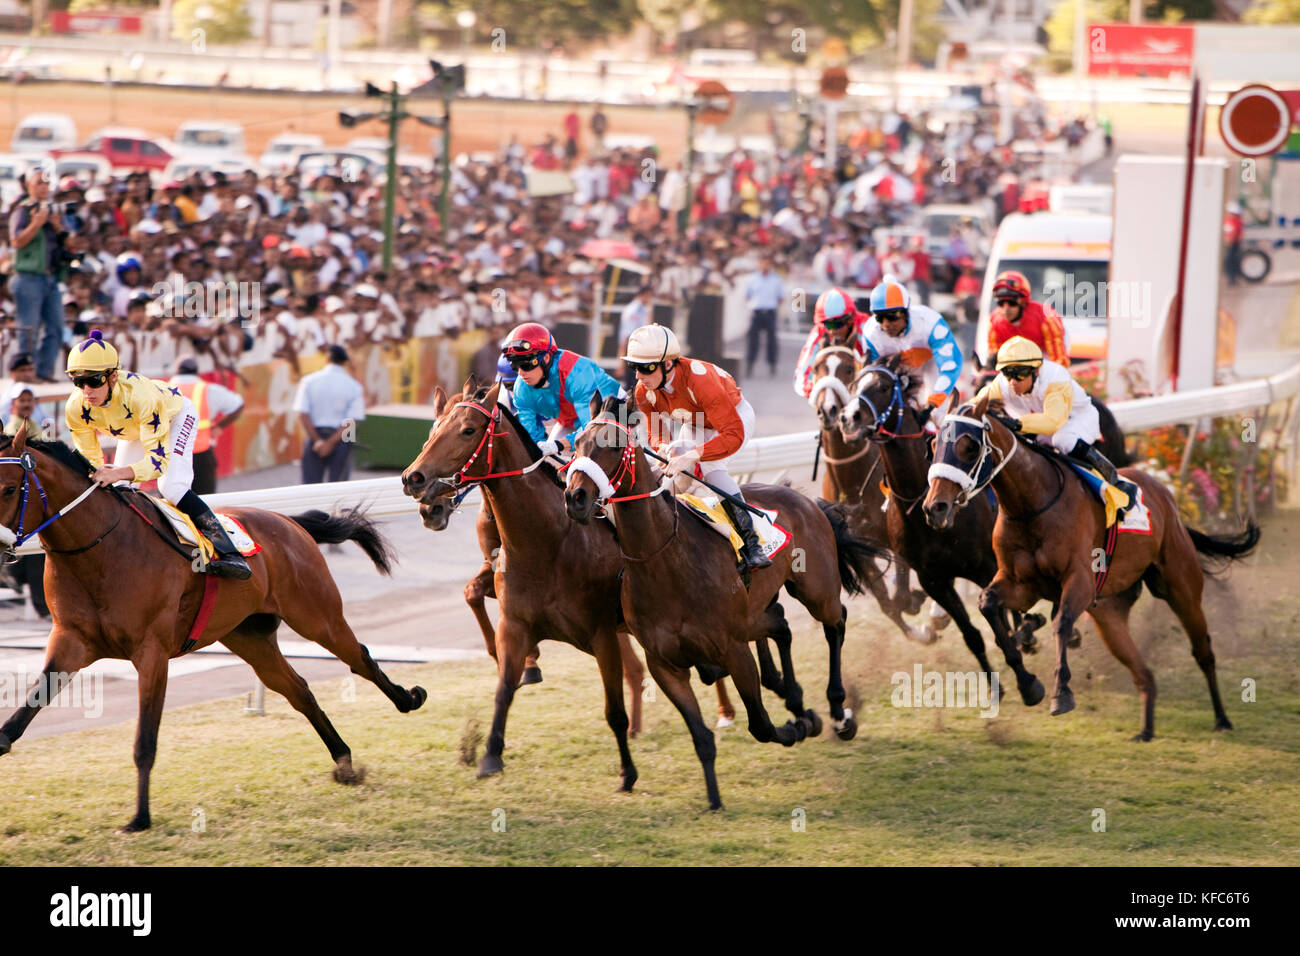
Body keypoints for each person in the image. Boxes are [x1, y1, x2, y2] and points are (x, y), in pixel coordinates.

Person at [64, 330, 251, 579]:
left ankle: (230, 553)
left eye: (94, 380)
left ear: (113, 377)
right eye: (78, 382)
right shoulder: (75, 407)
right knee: (115, 488)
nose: (86, 390)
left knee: (172, 487)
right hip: (135, 429)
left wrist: (119, 472)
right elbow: (92, 462)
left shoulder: (142, 396)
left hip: (176, 416)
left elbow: (157, 462)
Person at [622, 324, 771, 571]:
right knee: (673, 467)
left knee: (711, 468)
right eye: (634, 367)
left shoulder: (700, 381)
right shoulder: (643, 391)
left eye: (645, 368)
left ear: (667, 364)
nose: (638, 376)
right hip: (695, 421)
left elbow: (732, 435)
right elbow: (657, 432)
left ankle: (752, 543)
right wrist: (663, 449)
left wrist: (694, 454)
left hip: (733, 420)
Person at [974, 336, 1138, 519]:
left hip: (1074, 421)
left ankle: (1112, 478)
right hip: (1038, 425)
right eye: (1007, 372)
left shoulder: (1054, 379)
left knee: (1062, 440)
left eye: (1019, 373)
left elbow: (1053, 422)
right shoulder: (1003, 384)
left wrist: (1017, 424)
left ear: (1035, 371)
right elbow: (975, 406)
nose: (1012, 380)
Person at [502, 322, 621, 454]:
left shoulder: (577, 374)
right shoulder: (521, 389)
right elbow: (531, 437)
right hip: (571, 423)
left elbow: (591, 430)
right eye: (515, 365)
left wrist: (558, 445)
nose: (520, 373)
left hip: (615, 415)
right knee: (548, 461)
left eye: (525, 365)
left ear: (546, 358)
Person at [858, 275, 963, 417]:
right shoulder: (871, 333)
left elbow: (950, 366)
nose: (886, 324)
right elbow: (872, 375)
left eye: (892, 316)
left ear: (906, 312)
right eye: (879, 317)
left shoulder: (930, 322)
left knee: (938, 414)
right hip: (896, 368)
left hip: (930, 365)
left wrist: (932, 403)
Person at [10, 168, 72, 382]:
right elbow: (16, 241)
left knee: (56, 326)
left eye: (46, 183)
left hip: (51, 277)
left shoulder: (53, 210)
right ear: (29, 186)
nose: (44, 187)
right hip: (29, 276)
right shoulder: (24, 210)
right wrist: (36, 223)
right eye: (39, 183)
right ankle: (27, 372)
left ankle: (44, 371)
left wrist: (57, 227)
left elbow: (70, 244)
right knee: (29, 329)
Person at [2, 382, 49, 616]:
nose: (26, 404)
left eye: (30, 400)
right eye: (22, 400)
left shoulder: (37, 427)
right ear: (14, 404)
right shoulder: (11, 432)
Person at [169, 357, 245, 495]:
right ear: (197, 372)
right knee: (205, 500)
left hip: (172, 454)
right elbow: (238, 404)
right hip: (201, 453)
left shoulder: (165, 389)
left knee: (170, 502)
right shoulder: (207, 389)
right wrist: (220, 427)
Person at [293, 344, 365, 484]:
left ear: (327, 358)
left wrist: (318, 441)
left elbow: (303, 414)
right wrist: (330, 443)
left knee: (309, 489)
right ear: (344, 361)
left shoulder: (308, 381)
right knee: (339, 489)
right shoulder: (353, 385)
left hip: (315, 438)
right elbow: (352, 421)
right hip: (342, 439)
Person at [792, 286, 868, 400]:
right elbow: (802, 376)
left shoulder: (866, 327)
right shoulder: (819, 331)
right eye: (828, 325)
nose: (832, 331)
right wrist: (817, 389)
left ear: (850, 319)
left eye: (838, 324)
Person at [986, 270, 1069, 370]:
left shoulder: (1046, 316)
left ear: (1023, 301)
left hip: (1045, 354)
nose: (1006, 309)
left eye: (1012, 302)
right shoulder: (995, 322)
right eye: (1001, 303)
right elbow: (995, 359)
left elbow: (1058, 360)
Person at [743, 255, 784, 378]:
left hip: (770, 311)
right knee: (752, 341)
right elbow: (747, 295)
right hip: (756, 311)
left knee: (772, 341)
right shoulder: (752, 278)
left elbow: (780, 297)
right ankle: (750, 365)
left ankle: (772, 365)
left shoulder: (776, 279)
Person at [617, 286, 654, 390]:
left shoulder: (642, 310)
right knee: (629, 387)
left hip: (637, 353)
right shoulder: (634, 310)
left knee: (635, 387)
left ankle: (627, 407)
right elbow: (628, 335)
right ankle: (622, 407)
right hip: (632, 353)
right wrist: (622, 359)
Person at [1223, 202, 1244, 287]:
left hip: (1233, 243)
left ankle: (1232, 278)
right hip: (1232, 242)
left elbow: (1234, 232)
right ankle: (1232, 278)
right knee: (1231, 260)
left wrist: (1230, 240)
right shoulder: (1233, 220)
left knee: (1231, 260)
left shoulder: (1235, 221)